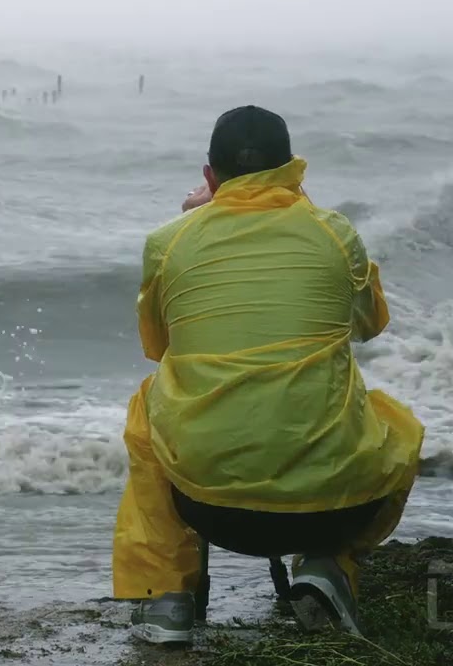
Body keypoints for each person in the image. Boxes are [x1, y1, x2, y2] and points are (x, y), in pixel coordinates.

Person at [112, 105, 425, 643]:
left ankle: (166, 600)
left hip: (207, 504)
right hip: (334, 505)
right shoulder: (335, 234)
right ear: (294, 172)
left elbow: (162, 346)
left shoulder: (170, 242)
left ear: (209, 177)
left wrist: (195, 221)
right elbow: (369, 324)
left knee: (150, 403)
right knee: (394, 420)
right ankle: (328, 564)